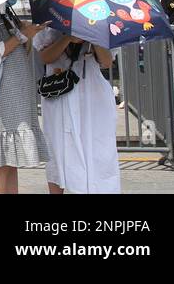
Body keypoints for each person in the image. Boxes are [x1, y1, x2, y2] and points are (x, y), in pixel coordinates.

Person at [0, 6, 49, 194]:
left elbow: (21, 47)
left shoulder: (5, 14)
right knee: (0, 160)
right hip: (4, 90)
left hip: (16, 88)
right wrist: (21, 36)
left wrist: (27, 33)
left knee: (10, 159)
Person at [34, 30, 120, 194]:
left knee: (96, 149)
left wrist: (92, 37)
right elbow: (45, 57)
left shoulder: (101, 24)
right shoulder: (51, 25)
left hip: (92, 95)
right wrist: (68, 38)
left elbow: (106, 62)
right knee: (58, 149)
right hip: (58, 93)